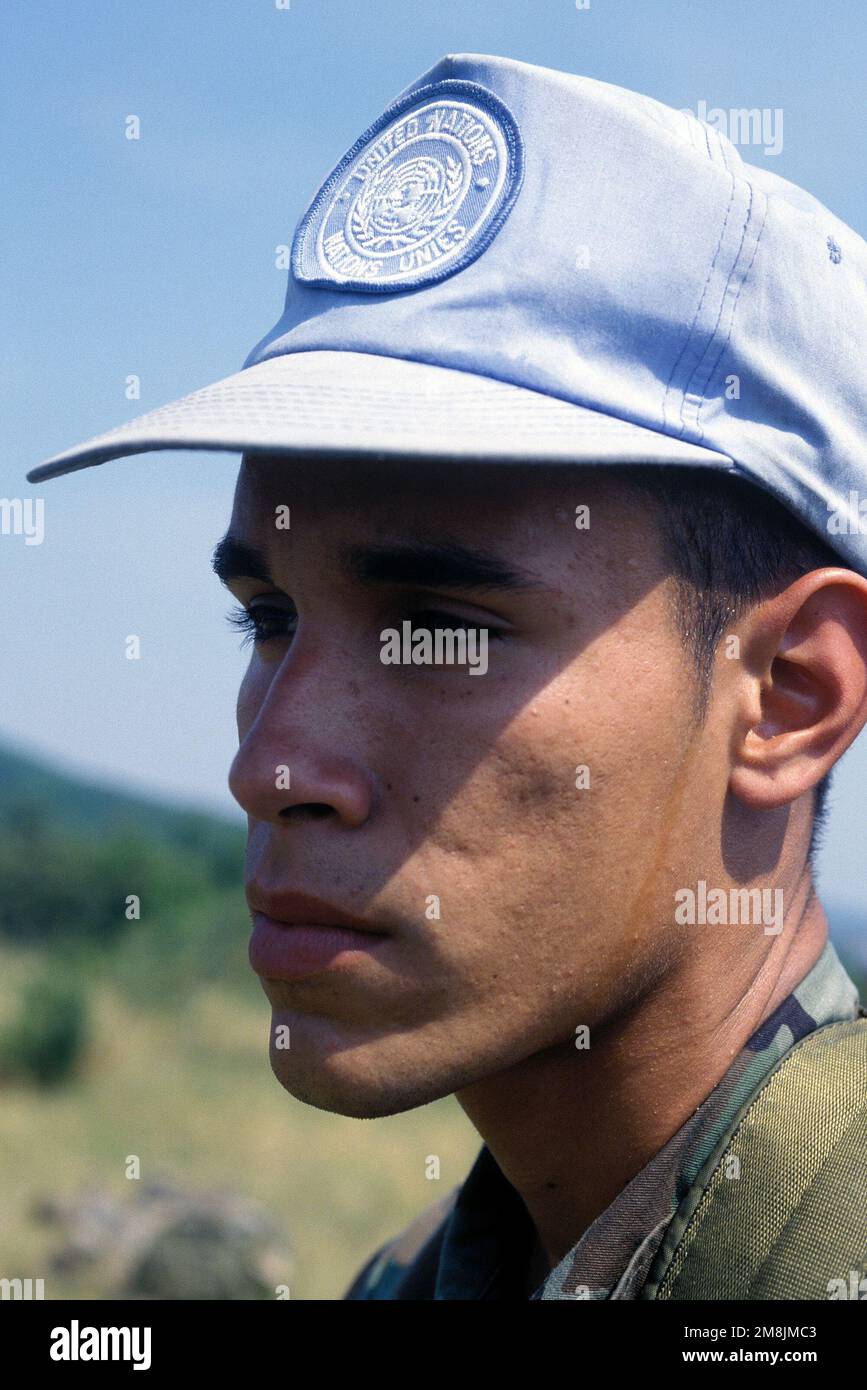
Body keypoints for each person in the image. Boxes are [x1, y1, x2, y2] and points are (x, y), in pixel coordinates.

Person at [27, 53, 867, 1301]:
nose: (267, 768)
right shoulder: (423, 1277)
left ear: (788, 695)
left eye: (440, 627)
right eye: (266, 616)